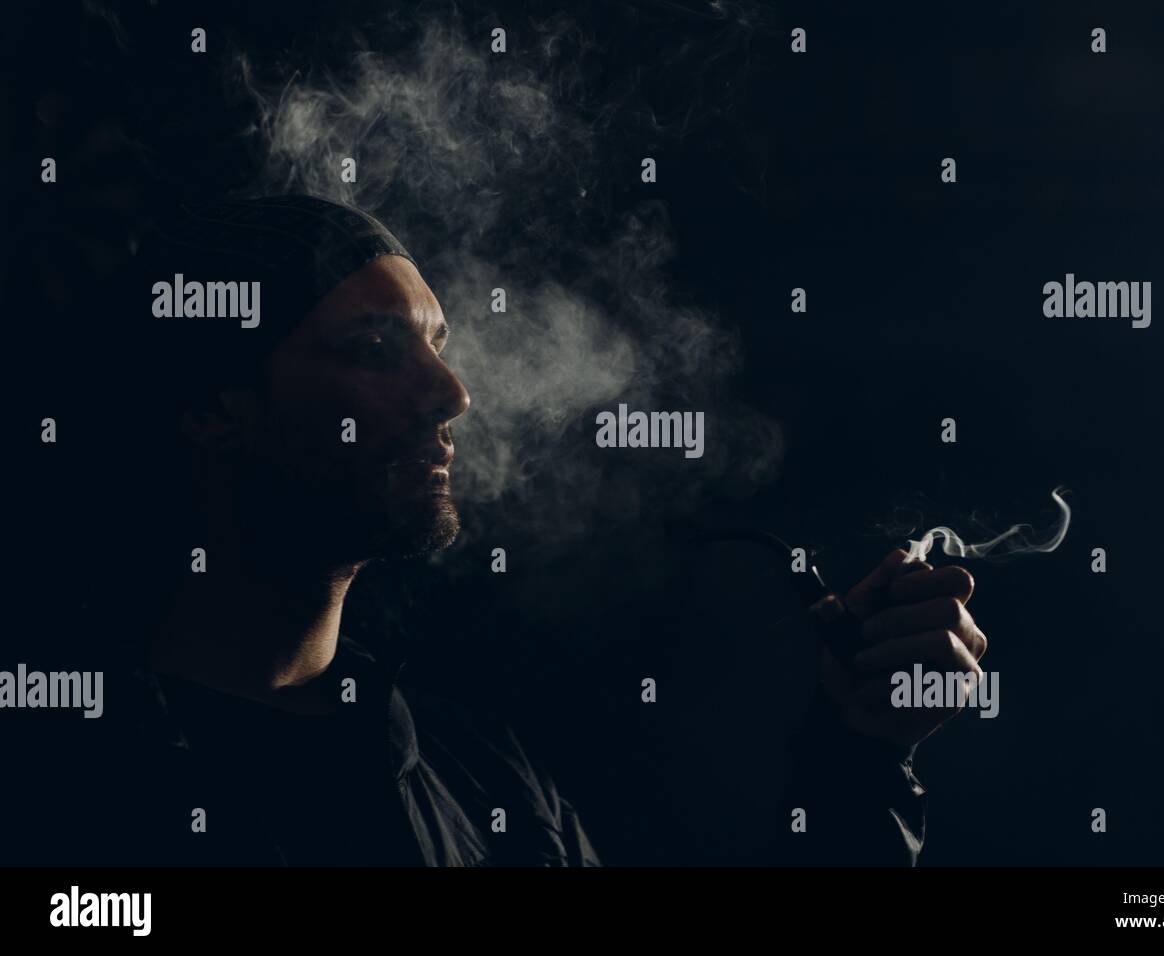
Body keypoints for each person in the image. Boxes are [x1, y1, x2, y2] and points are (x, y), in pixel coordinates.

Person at [12, 195, 989, 866]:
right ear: (213, 407)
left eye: (437, 346)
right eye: (373, 349)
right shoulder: (64, 774)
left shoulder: (480, 775)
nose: (452, 393)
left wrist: (863, 751)